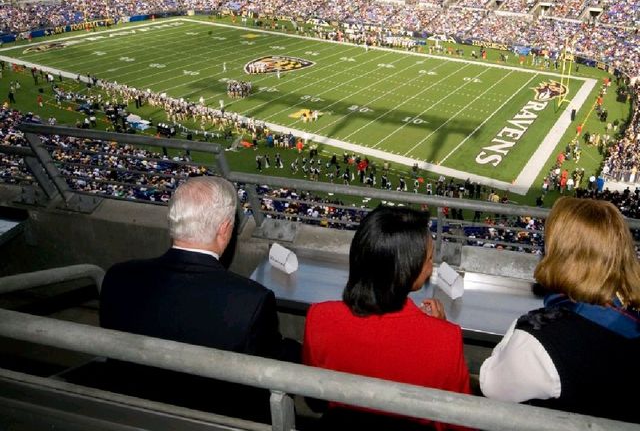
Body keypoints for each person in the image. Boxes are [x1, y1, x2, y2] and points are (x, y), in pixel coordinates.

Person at [99, 176, 297, 418]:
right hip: (214, 417)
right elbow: (269, 367)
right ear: (224, 229)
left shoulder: (118, 277)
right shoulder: (250, 300)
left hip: (133, 413)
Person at [303, 205, 471, 430]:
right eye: (429, 259)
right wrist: (436, 330)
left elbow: (314, 399)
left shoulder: (319, 317)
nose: (432, 267)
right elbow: (459, 423)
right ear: (406, 269)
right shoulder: (446, 340)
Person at [479, 197, 640, 422]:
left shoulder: (541, 339)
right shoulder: (629, 314)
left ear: (560, 254)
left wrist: (522, 325)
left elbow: (491, 384)